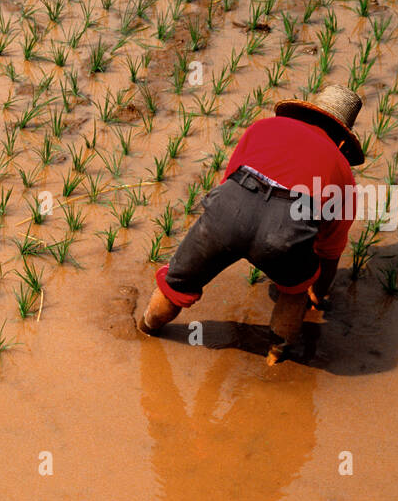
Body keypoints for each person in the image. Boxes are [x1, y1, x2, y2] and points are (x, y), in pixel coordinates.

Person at [138, 84, 364, 363]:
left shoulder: (264, 128)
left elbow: (229, 181)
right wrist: (317, 293)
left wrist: (234, 235)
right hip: (286, 230)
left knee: (177, 283)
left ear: (303, 114)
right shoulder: (343, 172)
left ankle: (146, 330)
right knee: (295, 292)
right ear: (343, 141)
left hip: (229, 209)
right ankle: (276, 354)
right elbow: (329, 251)